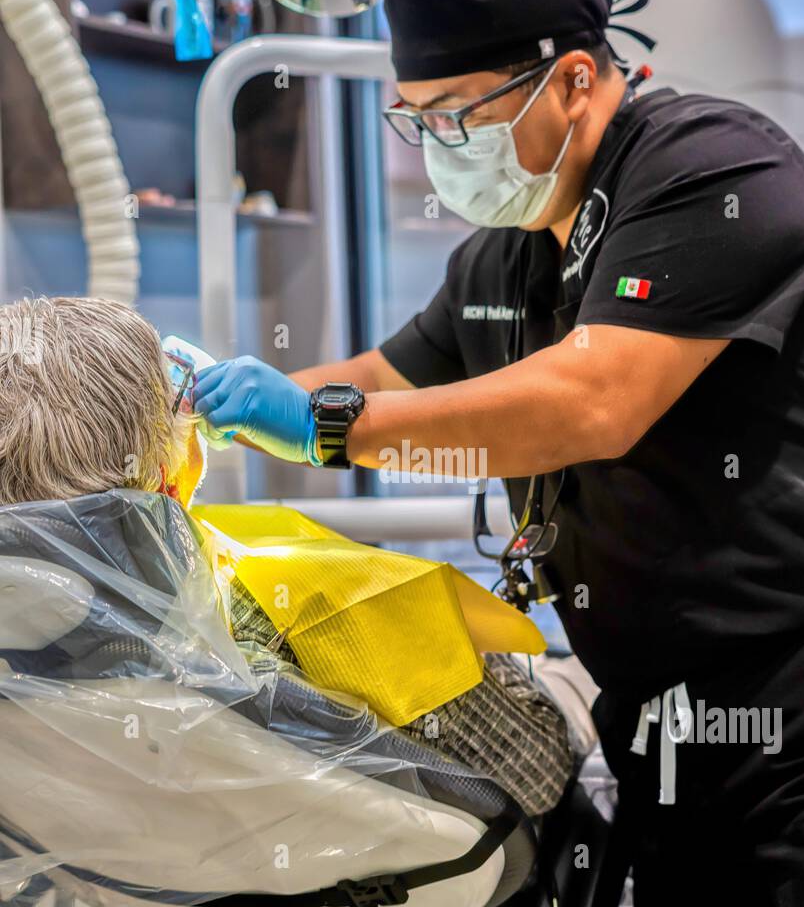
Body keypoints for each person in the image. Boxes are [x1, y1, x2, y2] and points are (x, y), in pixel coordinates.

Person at [191, 0, 804, 907]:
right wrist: (225, 403)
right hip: (666, 730)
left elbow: (589, 402)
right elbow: (395, 379)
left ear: (570, 77)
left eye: (453, 112)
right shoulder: (504, 257)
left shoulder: (717, 169)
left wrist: (324, 424)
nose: (436, 144)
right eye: (415, 119)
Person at [0, 294, 574, 817]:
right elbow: (538, 770)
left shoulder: (36, 656)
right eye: (172, 387)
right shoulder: (310, 609)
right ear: (162, 479)